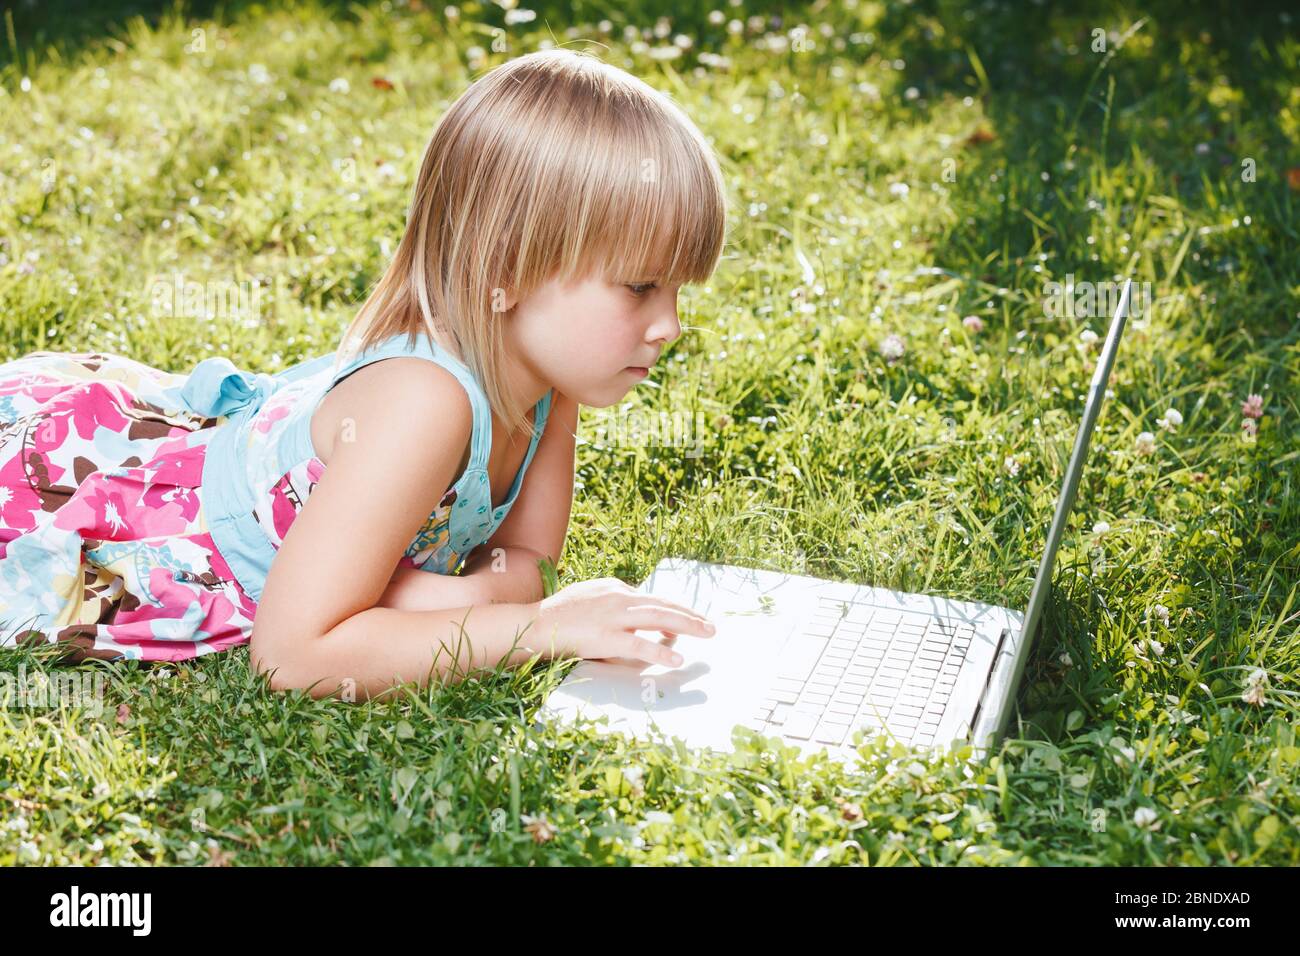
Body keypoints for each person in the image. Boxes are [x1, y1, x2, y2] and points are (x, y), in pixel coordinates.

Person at [0, 49, 725, 700]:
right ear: (510, 267)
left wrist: (415, 595)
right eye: (639, 288)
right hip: (142, 508)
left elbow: (528, 561)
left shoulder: (549, 391)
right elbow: (294, 654)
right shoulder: (426, 403)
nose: (669, 325)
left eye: (675, 291)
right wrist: (538, 629)